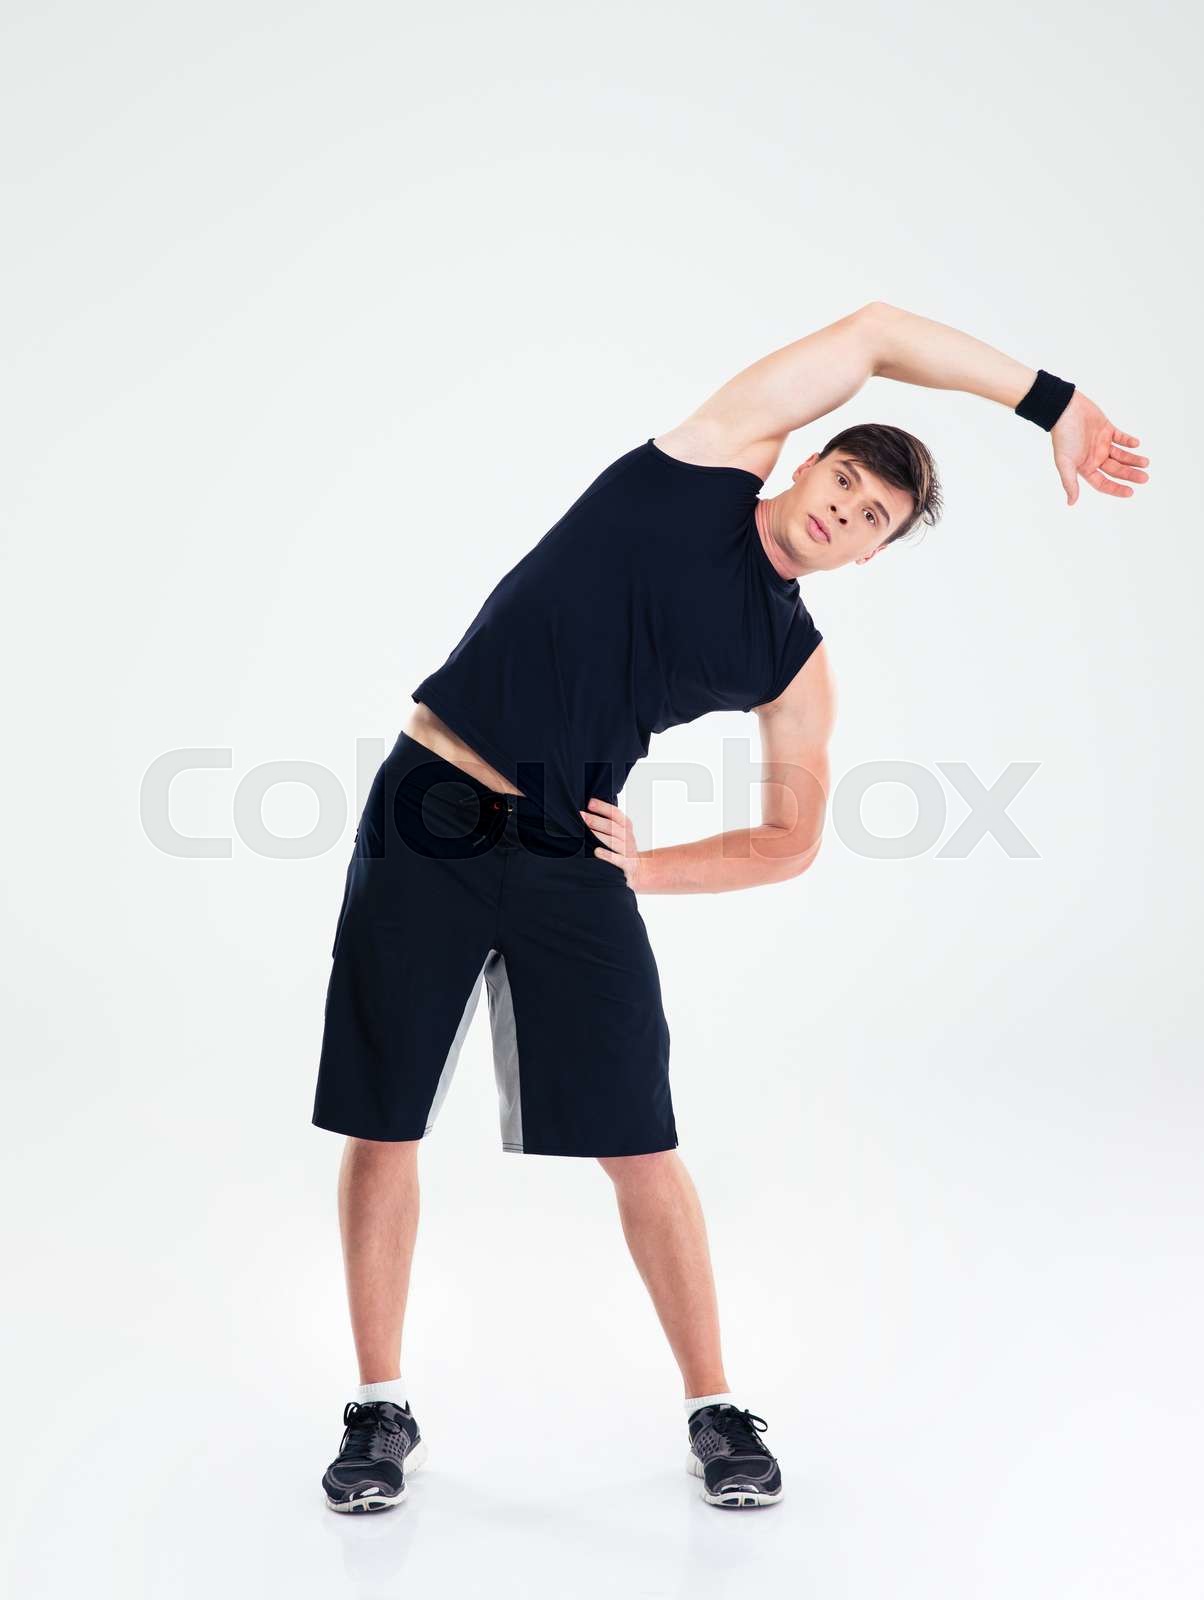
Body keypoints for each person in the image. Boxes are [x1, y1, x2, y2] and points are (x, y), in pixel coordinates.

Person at [311, 300, 1148, 1513]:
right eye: (845, 480)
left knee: (640, 1146)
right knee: (382, 1120)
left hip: (569, 856)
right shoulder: (703, 465)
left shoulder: (792, 663)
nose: (842, 510)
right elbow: (869, 334)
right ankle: (379, 1406)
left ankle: (713, 1407)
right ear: (806, 456)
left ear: (869, 556)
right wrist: (1052, 401)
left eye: (871, 520)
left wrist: (643, 870)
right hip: (428, 805)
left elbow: (791, 838)